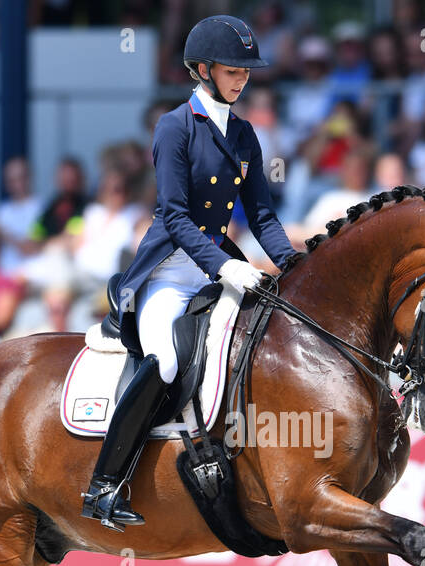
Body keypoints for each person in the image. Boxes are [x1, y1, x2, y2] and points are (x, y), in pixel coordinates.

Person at [81, 14, 300, 531]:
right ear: (203, 69)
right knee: (166, 362)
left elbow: (262, 215)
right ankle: (104, 485)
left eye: (247, 71)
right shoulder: (174, 126)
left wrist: (292, 265)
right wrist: (226, 265)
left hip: (217, 267)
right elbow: (175, 215)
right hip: (169, 271)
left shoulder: (245, 134)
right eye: (233, 69)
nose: (242, 78)